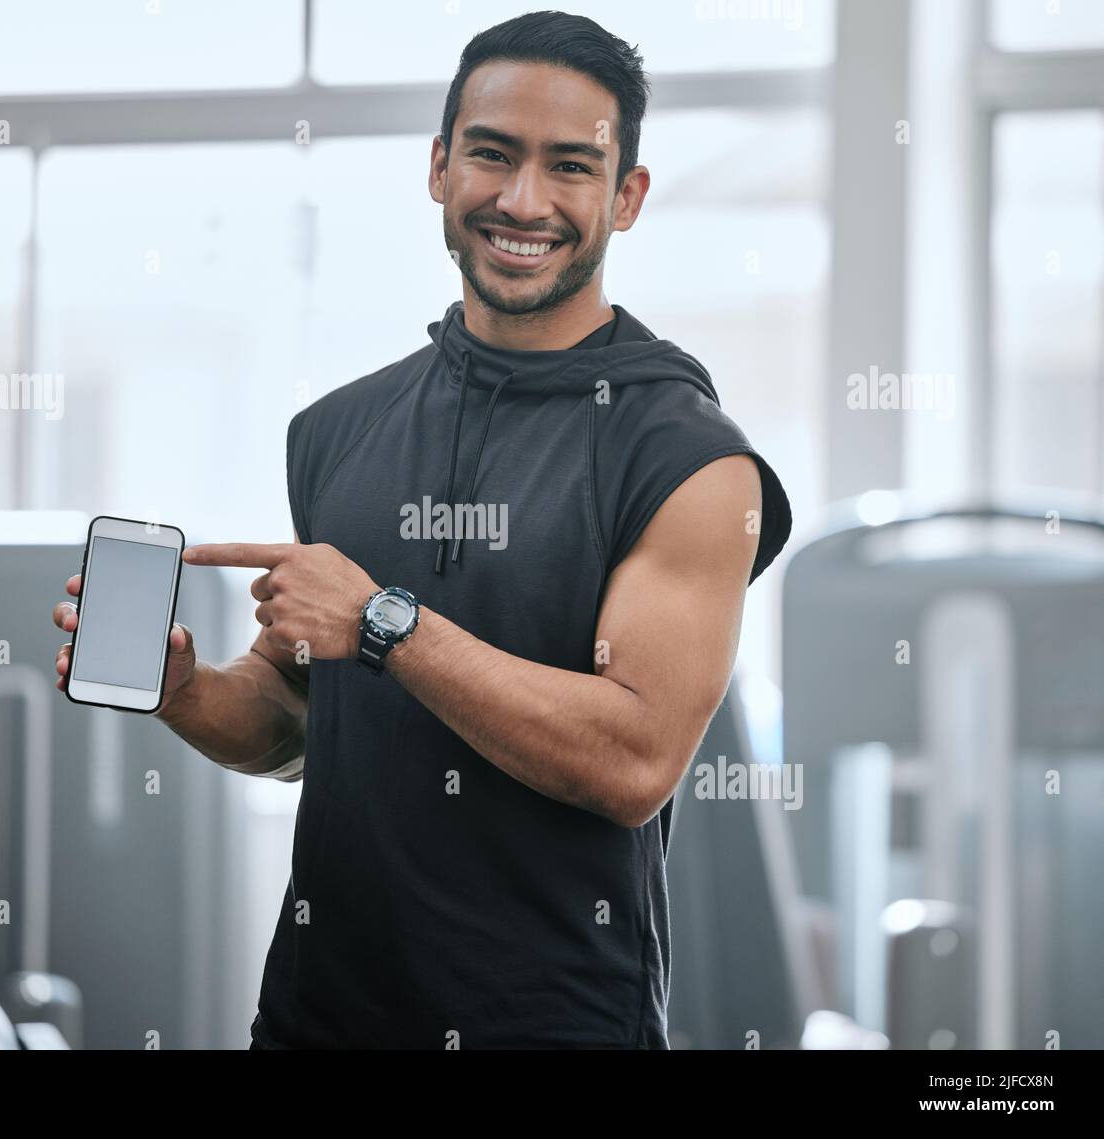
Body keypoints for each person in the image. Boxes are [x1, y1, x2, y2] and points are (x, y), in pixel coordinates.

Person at [54, 10, 791, 1049]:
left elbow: (633, 761)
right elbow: (299, 722)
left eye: (568, 166)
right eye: (491, 153)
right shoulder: (337, 431)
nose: (522, 200)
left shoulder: (689, 460)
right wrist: (186, 693)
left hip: (551, 1029)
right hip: (318, 1020)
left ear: (625, 197)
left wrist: (386, 623)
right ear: (440, 166)